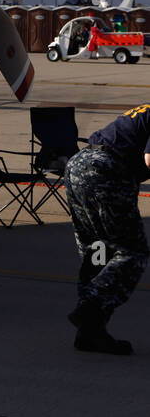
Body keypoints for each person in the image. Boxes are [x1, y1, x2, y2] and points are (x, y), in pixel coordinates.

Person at [63, 105, 150, 354]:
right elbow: (149, 160)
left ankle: (90, 334)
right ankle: (90, 312)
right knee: (132, 252)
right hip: (106, 171)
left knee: (98, 251)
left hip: (81, 165)